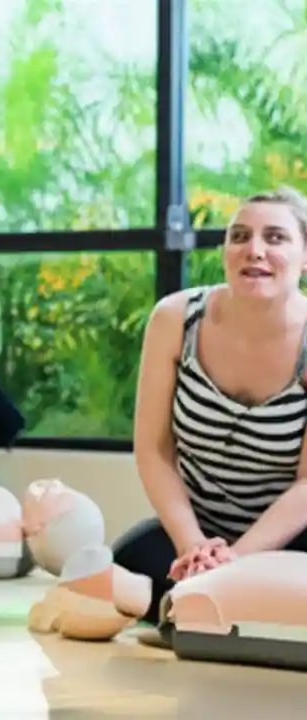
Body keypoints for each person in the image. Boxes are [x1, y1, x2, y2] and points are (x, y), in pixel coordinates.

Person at [113, 186, 307, 622]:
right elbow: (154, 450)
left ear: (305, 256)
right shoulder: (175, 319)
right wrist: (192, 547)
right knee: (120, 575)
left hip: (289, 540)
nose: (254, 250)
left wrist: (235, 561)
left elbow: (306, 486)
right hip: (197, 533)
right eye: (239, 236)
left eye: (275, 238)